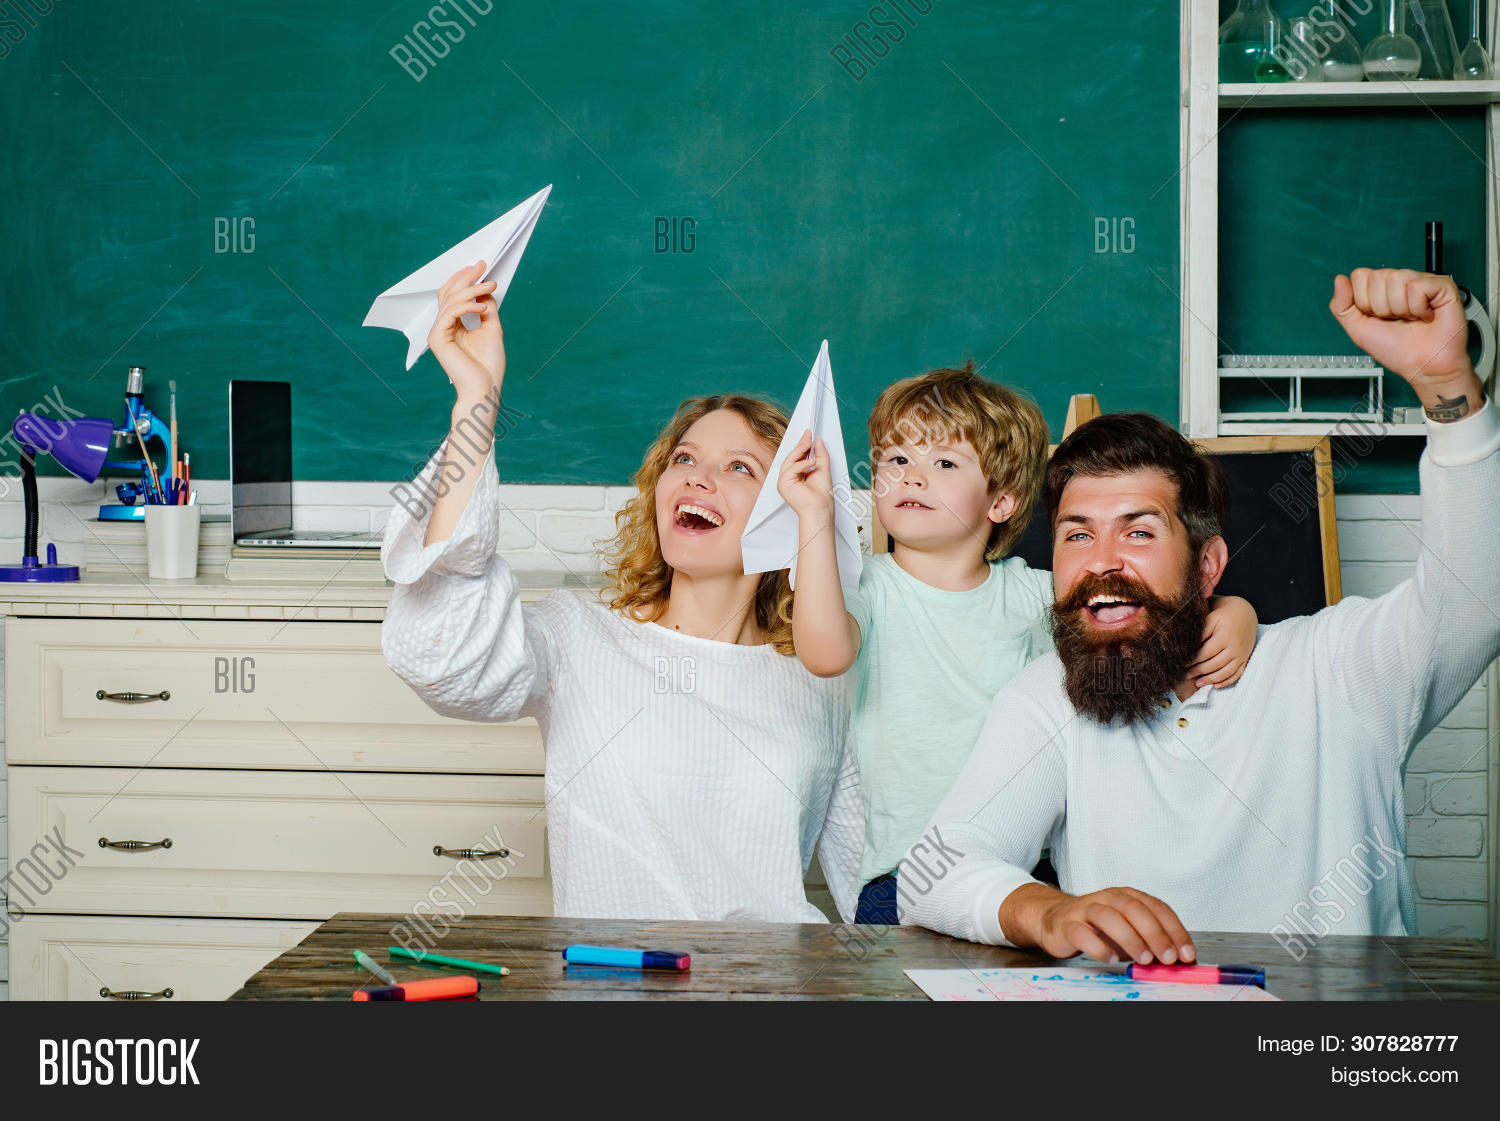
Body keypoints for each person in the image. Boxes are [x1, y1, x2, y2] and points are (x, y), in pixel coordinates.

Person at [898, 268, 1500, 966]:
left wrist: (1445, 387)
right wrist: (1051, 909)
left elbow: (1475, 596)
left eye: (1139, 531)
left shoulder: (1335, 669)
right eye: (1076, 533)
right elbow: (930, 872)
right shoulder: (1044, 701)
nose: (1103, 561)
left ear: (1210, 566)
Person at [380, 261, 861, 922]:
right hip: (610, 987)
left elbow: (871, 875)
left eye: (739, 467)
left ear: (788, 506)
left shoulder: (821, 677)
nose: (696, 479)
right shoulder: (579, 639)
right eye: (684, 459)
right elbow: (440, 655)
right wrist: (477, 402)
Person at [777, 361, 1259, 924]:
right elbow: (825, 653)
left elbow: (1131, 609)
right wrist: (814, 514)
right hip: (907, 875)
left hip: (1037, 870)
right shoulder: (868, 587)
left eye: (944, 462)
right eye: (896, 459)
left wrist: (1234, 610)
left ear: (1001, 502)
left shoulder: (1033, 593)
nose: (910, 476)